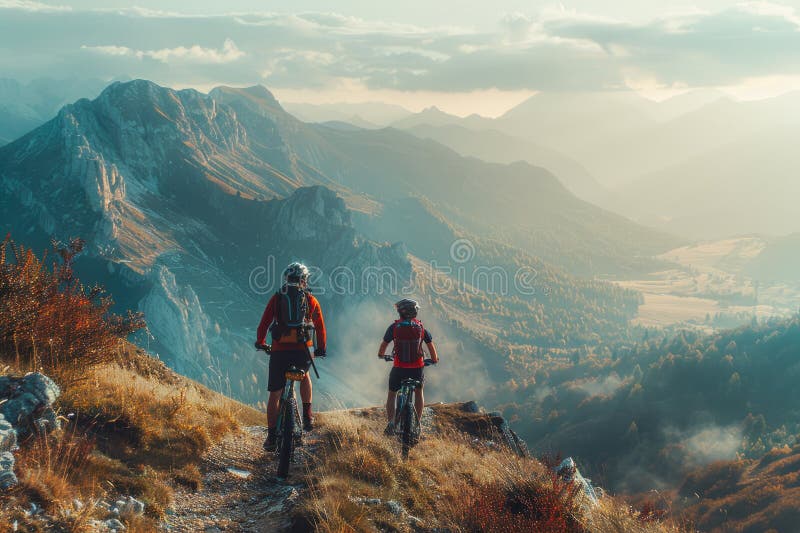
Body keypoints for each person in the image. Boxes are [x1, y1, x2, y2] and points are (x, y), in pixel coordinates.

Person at [255, 262, 326, 451]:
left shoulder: (277, 298)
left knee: (275, 394)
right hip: (303, 351)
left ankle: (271, 437)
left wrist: (261, 342)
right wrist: (321, 349)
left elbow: (264, 323)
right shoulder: (310, 299)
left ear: (287, 279)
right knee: (305, 376)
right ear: (304, 280)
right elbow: (320, 327)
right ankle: (308, 415)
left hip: (280, 351)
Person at [377, 298, 438, 436]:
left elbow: (383, 345)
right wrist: (433, 360)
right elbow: (431, 347)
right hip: (417, 368)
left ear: (400, 312)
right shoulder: (421, 328)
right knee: (418, 392)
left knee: (392, 394)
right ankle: (417, 423)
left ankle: (391, 423)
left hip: (399, 368)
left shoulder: (394, 327)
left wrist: (382, 355)